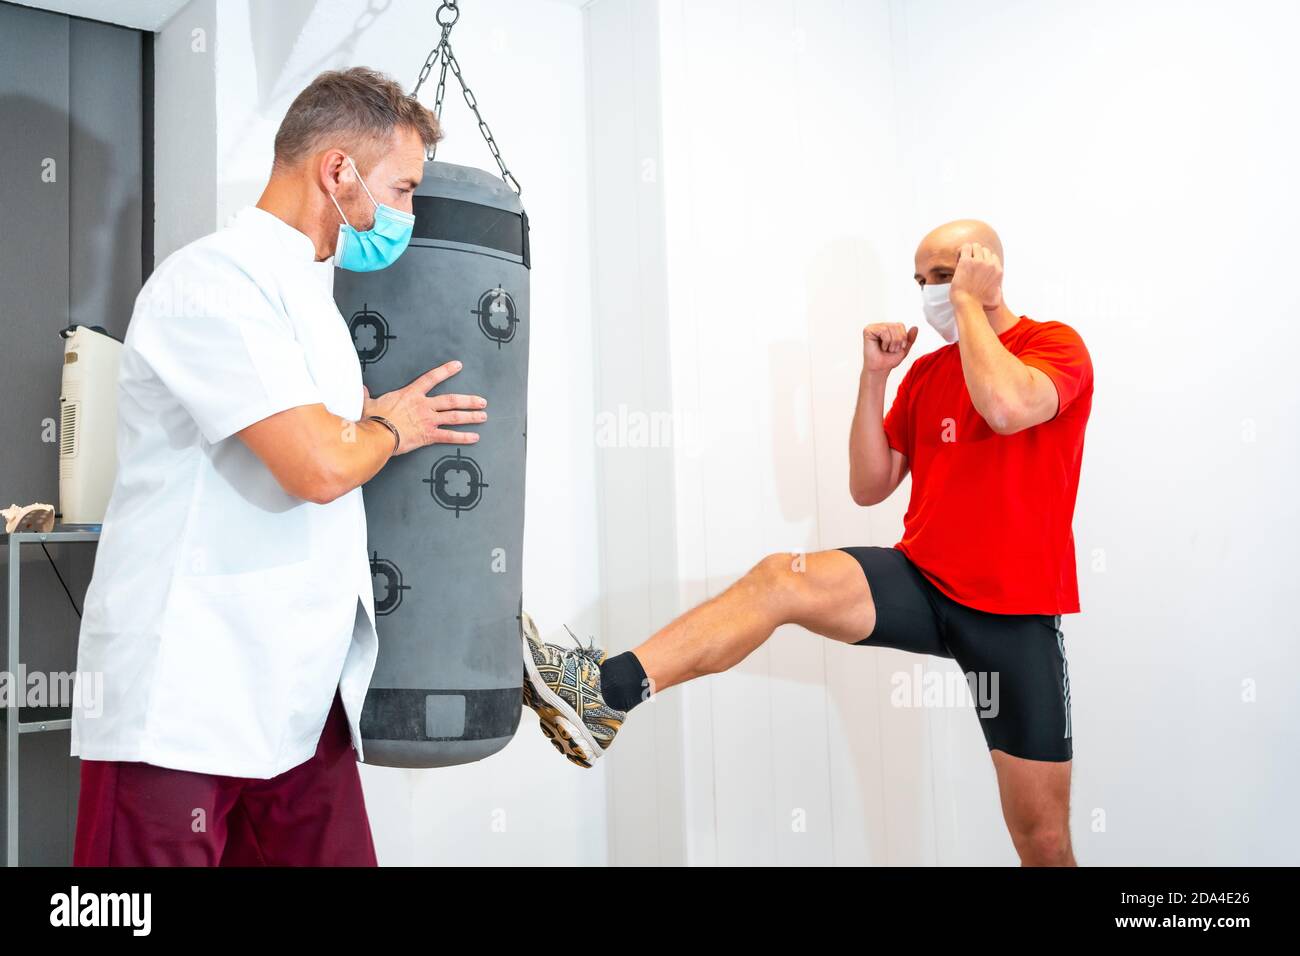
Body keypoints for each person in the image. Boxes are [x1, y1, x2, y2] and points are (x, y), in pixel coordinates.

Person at [522, 219, 1093, 866]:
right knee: (779, 578)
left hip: (1013, 615)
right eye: (922, 281)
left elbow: (1007, 408)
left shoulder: (1054, 344)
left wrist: (967, 303)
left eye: (944, 275)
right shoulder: (927, 374)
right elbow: (869, 485)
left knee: (1042, 842)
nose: (932, 294)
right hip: (923, 581)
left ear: (984, 269)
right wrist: (874, 378)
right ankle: (605, 693)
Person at [70, 67, 488, 866]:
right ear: (338, 171)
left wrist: (369, 419)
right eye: (401, 190)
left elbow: (323, 439)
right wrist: (388, 430)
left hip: (295, 694)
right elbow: (318, 468)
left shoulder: (312, 304)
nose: (406, 214)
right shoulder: (213, 282)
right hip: (184, 695)